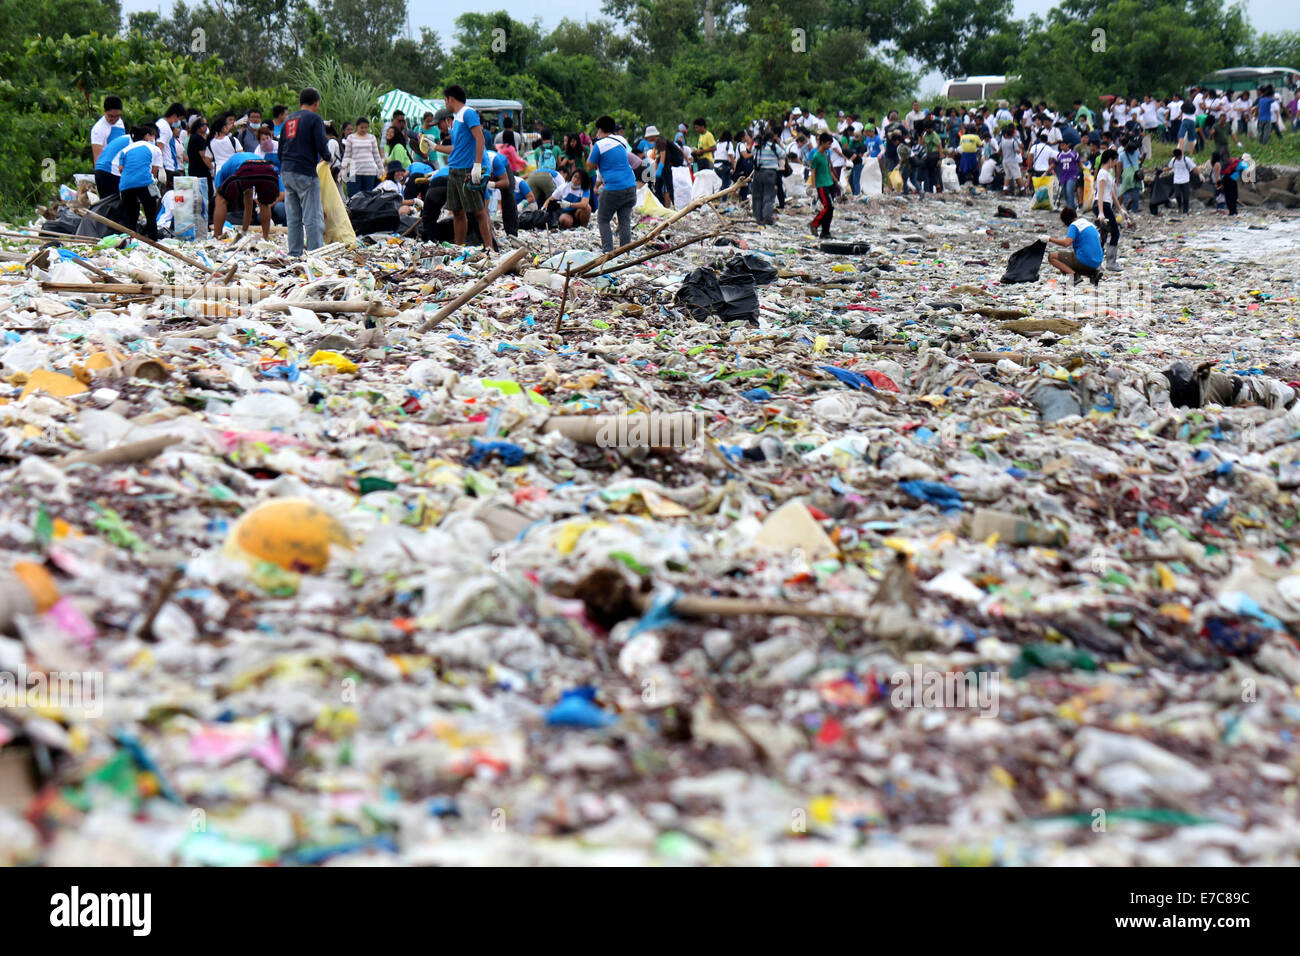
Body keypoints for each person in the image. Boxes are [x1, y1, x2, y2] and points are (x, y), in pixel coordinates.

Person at [436, 85, 493, 250]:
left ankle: (489, 247)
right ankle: (458, 247)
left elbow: (480, 139)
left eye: (445, 100)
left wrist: (477, 165)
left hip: (467, 169)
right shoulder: (457, 118)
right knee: (457, 212)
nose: (445, 104)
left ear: (451, 99)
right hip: (454, 169)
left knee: (478, 211)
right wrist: (435, 147)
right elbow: (457, 147)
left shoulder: (468, 113)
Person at [278, 87, 332, 257]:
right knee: (313, 216)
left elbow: (280, 150)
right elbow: (321, 144)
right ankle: (315, 254)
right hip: (305, 172)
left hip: (287, 171)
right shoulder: (315, 118)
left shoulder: (287, 121)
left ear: (300, 103)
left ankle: (294, 253)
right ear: (316, 103)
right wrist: (327, 157)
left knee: (293, 217)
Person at [587, 115, 637, 252]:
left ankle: (608, 252)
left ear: (600, 129)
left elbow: (590, 166)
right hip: (631, 186)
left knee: (603, 219)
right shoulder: (621, 140)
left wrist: (592, 147)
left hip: (613, 189)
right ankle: (625, 252)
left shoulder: (599, 145)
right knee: (624, 221)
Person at [212, 151, 278, 241]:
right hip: (267, 168)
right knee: (264, 204)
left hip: (247, 167)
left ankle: (216, 236)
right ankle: (265, 237)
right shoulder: (236, 164)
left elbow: (219, 193)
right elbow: (248, 204)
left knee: (220, 199)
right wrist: (244, 232)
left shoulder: (221, 174)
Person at [114, 126, 163, 239]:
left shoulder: (125, 150)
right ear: (147, 136)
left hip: (126, 184)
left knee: (130, 216)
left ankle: (129, 241)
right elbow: (154, 171)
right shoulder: (154, 148)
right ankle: (152, 240)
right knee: (150, 213)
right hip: (144, 181)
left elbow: (121, 169)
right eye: (152, 135)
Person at [1045, 206, 1103, 283]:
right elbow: (1100, 240)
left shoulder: (1074, 225)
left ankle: (1074, 276)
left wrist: (1049, 239)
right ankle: (1092, 273)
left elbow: (1066, 243)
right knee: (1067, 262)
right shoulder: (1088, 223)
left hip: (1085, 260)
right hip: (1098, 261)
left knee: (1052, 257)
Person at [1094, 148, 1121, 270]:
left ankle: (1099, 263)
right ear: (1110, 160)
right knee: (1115, 232)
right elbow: (1100, 193)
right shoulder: (1102, 174)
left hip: (1106, 205)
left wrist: (1121, 210)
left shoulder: (1108, 174)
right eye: (1115, 161)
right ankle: (1109, 262)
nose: (1115, 164)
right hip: (1102, 205)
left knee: (1104, 233)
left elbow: (1112, 194)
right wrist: (1100, 212)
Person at [344, 117, 384, 196]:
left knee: (368, 195)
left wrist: (381, 168)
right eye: (361, 128)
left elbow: (376, 155)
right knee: (353, 196)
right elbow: (347, 155)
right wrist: (344, 170)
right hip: (354, 171)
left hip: (369, 171)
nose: (364, 130)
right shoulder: (351, 138)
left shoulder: (372, 138)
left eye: (366, 128)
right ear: (357, 127)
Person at [750, 129, 782, 225]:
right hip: (770, 172)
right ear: (772, 138)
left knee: (757, 196)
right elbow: (783, 154)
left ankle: (758, 218)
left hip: (758, 172)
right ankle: (767, 217)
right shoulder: (773, 146)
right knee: (768, 196)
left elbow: (752, 153)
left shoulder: (757, 146)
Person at [185, 115, 213, 219]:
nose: (205, 127)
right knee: (204, 196)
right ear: (197, 127)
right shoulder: (198, 139)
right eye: (203, 125)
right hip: (200, 172)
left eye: (206, 124)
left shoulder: (194, 137)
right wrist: (212, 168)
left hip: (194, 170)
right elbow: (204, 157)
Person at [808, 132, 835, 238]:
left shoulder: (826, 154)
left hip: (829, 183)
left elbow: (828, 169)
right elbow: (813, 172)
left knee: (831, 209)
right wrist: (814, 188)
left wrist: (836, 181)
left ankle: (825, 232)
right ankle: (814, 224)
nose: (829, 146)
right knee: (828, 206)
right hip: (821, 185)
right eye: (828, 144)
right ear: (822, 143)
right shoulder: (816, 156)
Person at [154, 102, 185, 192]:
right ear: (174, 116)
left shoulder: (161, 124)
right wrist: (160, 167)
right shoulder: (164, 127)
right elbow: (159, 147)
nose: (179, 122)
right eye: (180, 119)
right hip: (167, 167)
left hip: (168, 166)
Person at [93, 129, 132, 197]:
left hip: (100, 170)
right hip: (111, 172)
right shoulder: (137, 143)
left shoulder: (124, 138)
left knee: (107, 203)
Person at [91, 95, 126, 164]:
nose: (115, 119)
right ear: (104, 111)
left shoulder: (120, 121)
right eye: (111, 116)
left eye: (118, 116)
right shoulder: (98, 129)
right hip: (108, 168)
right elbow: (97, 158)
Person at [1167, 148, 1195, 215]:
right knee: (1177, 195)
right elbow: (1169, 167)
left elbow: (1194, 167)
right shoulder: (1173, 160)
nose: (1177, 158)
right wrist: (1162, 170)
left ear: (1181, 155)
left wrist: (1199, 174)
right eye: (1176, 157)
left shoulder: (1187, 159)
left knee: (1186, 196)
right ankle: (1179, 206)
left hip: (1185, 180)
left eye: (1178, 157)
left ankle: (1185, 211)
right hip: (1176, 180)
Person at [1055, 141, 1080, 209]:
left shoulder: (1074, 154)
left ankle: (1070, 209)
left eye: (1063, 145)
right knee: (1065, 193)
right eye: (1061, 146)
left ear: (1067, 145)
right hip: (1063, 176)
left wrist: (1079, 172)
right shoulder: (1059, 155)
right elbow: (1056, 165)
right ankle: (1073, 205)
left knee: (1069, 191)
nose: (1062, 147)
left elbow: (1079, 164)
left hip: (1072, 175)